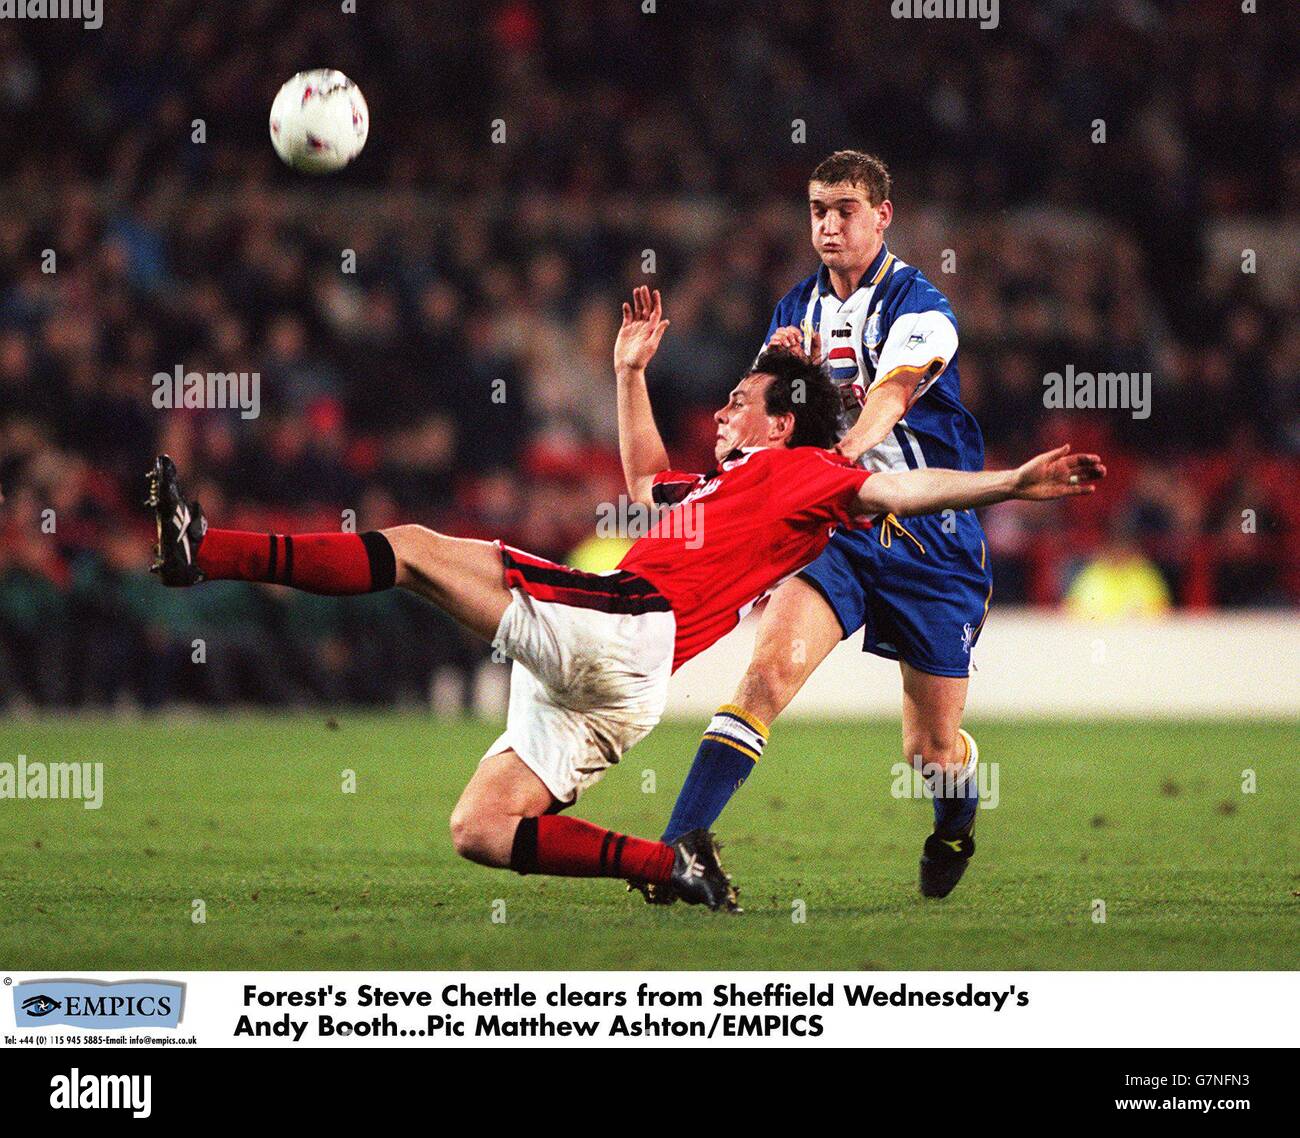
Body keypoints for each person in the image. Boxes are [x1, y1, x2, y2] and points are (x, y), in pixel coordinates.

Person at [147, 287, 1103, 911]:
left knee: (417, 550)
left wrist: (1010, 482)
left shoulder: (805, 474)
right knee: (481, 828)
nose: (724, 409)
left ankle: (205, 551)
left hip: (625, 628)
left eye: (740, 398)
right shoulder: (725, 487)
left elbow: (898, 489)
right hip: (623, 684)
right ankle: (671, 866)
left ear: (784, 421)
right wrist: (627, 371)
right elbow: (647, 478)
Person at [658, 150, 997, 900]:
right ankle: (677, 852)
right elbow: (764, 410)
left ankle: (954, 827)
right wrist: (732, 448)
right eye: (817, 210)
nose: (829, 225)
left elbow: (895, 392)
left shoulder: (921, 307)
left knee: (931, 752)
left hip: (929, 540)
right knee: (766, 674)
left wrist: (840, 455)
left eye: (845, 209)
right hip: (837, 531)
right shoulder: (793, 314)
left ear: (883, 215)